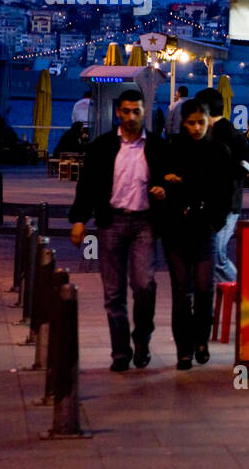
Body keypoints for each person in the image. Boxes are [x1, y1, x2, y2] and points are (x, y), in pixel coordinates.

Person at [69, 89, 168, 372]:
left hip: (145, 223)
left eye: (136, 111)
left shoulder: (157, 148)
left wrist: (164, 191)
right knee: (113, 292)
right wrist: (79, 220)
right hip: (111, 222)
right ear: (118, 113)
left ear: (144, 112)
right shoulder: (102, 147)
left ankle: (142, 338)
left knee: (144, 285)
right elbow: (87, 186)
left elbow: (169, 180)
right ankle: (121, 352)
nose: (132, 117)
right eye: (126, 111)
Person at [160, 99, 231, 370]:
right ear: (183, 123)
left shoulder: (218, 151)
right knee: (181, 293)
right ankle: (183, 350)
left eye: (201, 122)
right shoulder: (172, 150)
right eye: (191, 122)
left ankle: (201, 340)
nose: (196, 128)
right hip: (176, 230)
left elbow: (224, 190)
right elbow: (160, 182)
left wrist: (215, 221)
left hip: (204, 229)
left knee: (203, 289)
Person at [195, 87, 249, 283]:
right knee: (213, 253)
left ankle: (241, 290)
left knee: (216, 255)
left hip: (227, 204)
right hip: (225, 204)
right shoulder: (227, 133)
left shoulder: (223, 135)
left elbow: (244, 167)